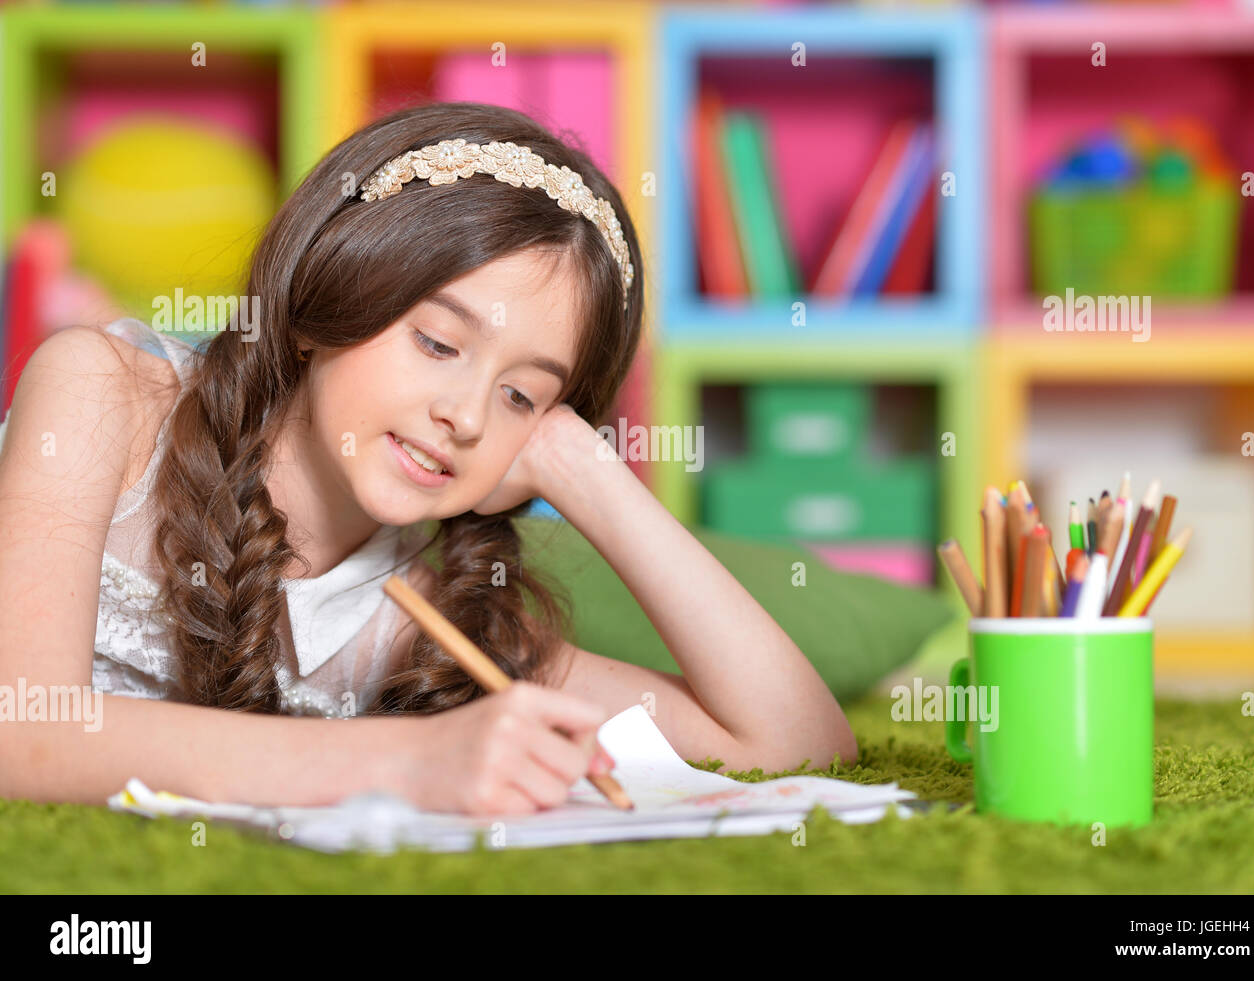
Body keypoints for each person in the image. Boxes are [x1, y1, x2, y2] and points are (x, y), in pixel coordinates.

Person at [0, 102, 856, 816]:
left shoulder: (429, 616)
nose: (467, 416)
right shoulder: (104, 394)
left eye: (523, 394)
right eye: (440, 343)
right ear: (319, 300)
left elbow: (798, 745)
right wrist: (407, 760)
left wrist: (584, 469)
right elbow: (20, 730)